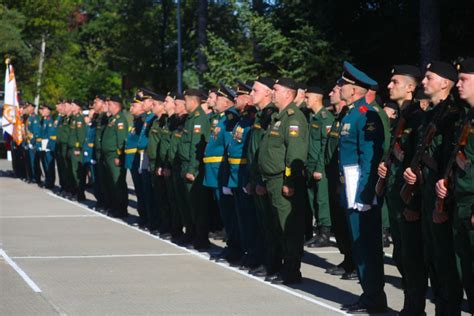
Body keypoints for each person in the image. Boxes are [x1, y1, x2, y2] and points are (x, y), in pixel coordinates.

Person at [403, 61, 464, 315]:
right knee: (434, 261)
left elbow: (449, 161)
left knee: (447, 267)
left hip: (444, 199)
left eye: (429, 77)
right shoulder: (431, 114)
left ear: (444, 83)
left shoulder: (453, 115)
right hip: (427, 195)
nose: (423, 82)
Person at [337, 61, 387, 313]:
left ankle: (374, 297)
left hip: (360, 187)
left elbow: (370, 156)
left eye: (343, 85)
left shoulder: (367, 114)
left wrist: (366, 193)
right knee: (358, 244)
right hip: (350, 186)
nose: (340, 87)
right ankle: (369, 294)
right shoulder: (352, 113)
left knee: (366, 244)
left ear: (355, 90)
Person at [377, 65, 426, 314]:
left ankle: (414, 307)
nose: (389, 86)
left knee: (412, 256)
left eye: (394, 82)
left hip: (409, 197)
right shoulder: (401, 116)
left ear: (410, 87)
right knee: (401, 254)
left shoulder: (416, 117)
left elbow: (418, 160)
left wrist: (413, 202)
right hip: (396, 194)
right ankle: (411, 303)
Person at [258, 77, 308, 284]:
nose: (272, 93)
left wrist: (290, 181)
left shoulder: (293, 118)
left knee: (289, 228)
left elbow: (295, 154)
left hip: (282, 180)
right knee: (276, 226)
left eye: (276, 90)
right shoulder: (278, 117)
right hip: (271, 180)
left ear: (288, 93)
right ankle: (279, 265)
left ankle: (292, 270)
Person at [435, 57, 474, 314]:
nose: (458, 84)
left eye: (464, 79)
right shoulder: (467, 117)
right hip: (460, 203)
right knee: (466, 276)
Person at [247, 77, 281, 278]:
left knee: (271, 224)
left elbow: (267, 152)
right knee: (263, 224)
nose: (251, 94)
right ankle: (265, 260)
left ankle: (273, 263)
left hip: (266, 178)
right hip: (256, 176)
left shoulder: (271, 115)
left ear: (268, 93)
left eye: (255, 90)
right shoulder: (260, 115)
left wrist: (260, 181)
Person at [226, 80, 262, 270]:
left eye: (239, 95)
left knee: (250, 218)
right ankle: (248, 252)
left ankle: (254, 254)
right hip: (236, 174)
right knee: (242, 218)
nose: (235, 98)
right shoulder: (242, 119)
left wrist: (249, 178)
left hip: (245, 173)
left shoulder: (252, 119)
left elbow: (251, 151)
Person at [324, 82, 356, 280]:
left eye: (335, 90)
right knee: (340, 222)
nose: (332, 93)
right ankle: (348, 258)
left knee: (350, 223)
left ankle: (355, 263)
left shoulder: (358, 114)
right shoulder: (341, 117)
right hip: (337, 176)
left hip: (351, 178)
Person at [205, 83, 241, 261]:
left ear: (227, 102)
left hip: (224, 170)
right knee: (225, 212)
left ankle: (235, 247)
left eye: (218, 98)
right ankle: (232, 245)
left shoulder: (230, 117)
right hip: (217, 171)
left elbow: (229, 147)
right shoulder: (220, 118)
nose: (214, 101)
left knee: (230, 212)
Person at [177, 89, 211, 249]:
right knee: (188, 204)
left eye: (185, 101)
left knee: (197, 206)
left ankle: (201, 238)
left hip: (193, 168)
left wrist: (192, 169)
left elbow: (195, 146)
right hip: (185, 165)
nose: (184, 104)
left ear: (192, 101)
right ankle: (191, 233)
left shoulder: (199, 119)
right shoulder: (191, 118)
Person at [304, 86, 334, 247]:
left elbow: (325, 146)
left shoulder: (325, 118)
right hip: (309, 165)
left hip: (318, 166)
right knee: (312, 200)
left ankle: (325, 233)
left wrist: (320, 168)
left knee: (322, 200)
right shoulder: (311, 117)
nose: (305, 100)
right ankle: (318, 232)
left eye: (307, 97)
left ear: (316, 98)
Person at [101, 96, 129, 218]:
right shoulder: (112, 119)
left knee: (118, 183)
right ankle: (114, 206)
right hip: (108, 155)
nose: (108, 107)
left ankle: (121, 209)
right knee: (111, 182)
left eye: (110, 104)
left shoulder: (120, 119)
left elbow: (121, 140)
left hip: (114, 155)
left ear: (116, 105)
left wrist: (118, 155)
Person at [38, 103, 57, 189]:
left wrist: (49, 146)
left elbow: (51, 135)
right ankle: (47, 180)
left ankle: (50, 182)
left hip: (48, 146)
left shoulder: (50, 121)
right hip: (43, 145)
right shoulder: (43, 120)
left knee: (49, 164)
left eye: (44, 109)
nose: (42, 111)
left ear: (48, 111)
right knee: (45, 164)